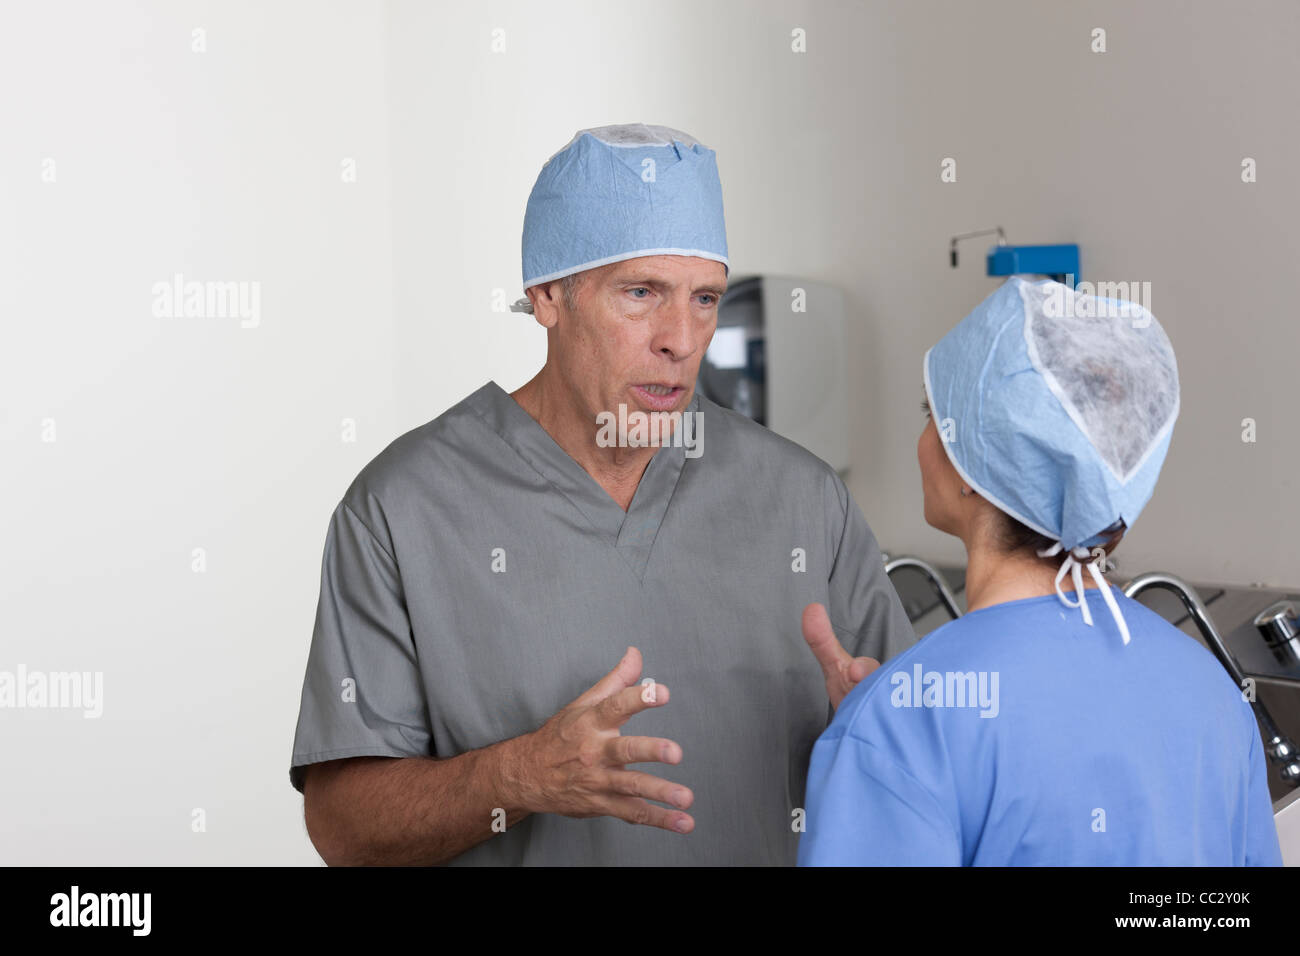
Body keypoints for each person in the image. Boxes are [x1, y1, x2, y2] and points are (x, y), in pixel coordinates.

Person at [288, 123, 917, 865]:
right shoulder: (403, 510)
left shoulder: (803, 500)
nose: (682, 338)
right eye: (641, 293)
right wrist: (518, 776)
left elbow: (923, 782)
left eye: (705, 298)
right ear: (548, 296)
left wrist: (882, 746)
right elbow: (344, 828)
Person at [798, 276, 1283, 866]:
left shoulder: (908, 721)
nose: (923, 440)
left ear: (974, 465)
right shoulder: (1210, 689)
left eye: (933, 414)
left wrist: (875, 740)